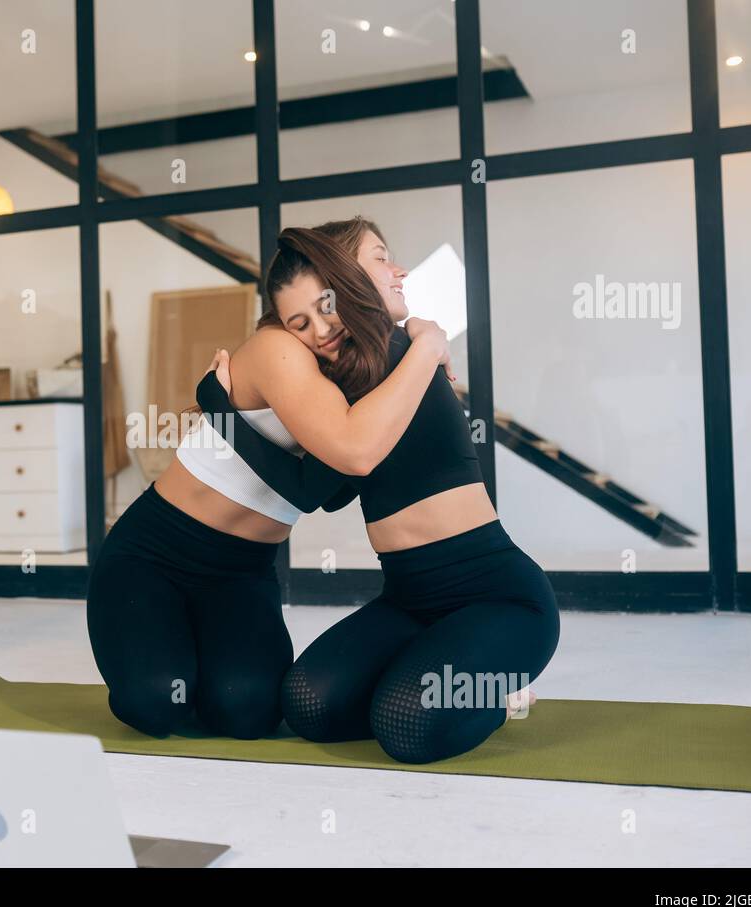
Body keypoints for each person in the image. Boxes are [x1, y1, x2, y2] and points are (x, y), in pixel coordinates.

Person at [197, 219, 560, 764]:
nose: (400, 271)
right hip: (410, 601)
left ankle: (501, 695)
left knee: (406, 728)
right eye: (380, 258)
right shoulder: (354, 381)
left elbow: (336, 467)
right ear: (346, 276)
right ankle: (430, 671)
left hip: (499, 598)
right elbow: (324, 490)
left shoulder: (400, 354)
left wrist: (223, 412)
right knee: (308, 705)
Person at [85, 233, 454, 740]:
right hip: (155, 556)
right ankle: (166, 657)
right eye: (299, 322)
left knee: (250, 713)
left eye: (326, 309)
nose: (320, 331)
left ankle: (194, 661)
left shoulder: (356, 374)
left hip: (242, 573)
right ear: (282, 325)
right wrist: (427, 348)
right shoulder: (276, 350)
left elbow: (328, 493)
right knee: (154, 703)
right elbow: (313, 486)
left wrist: (218, 404)